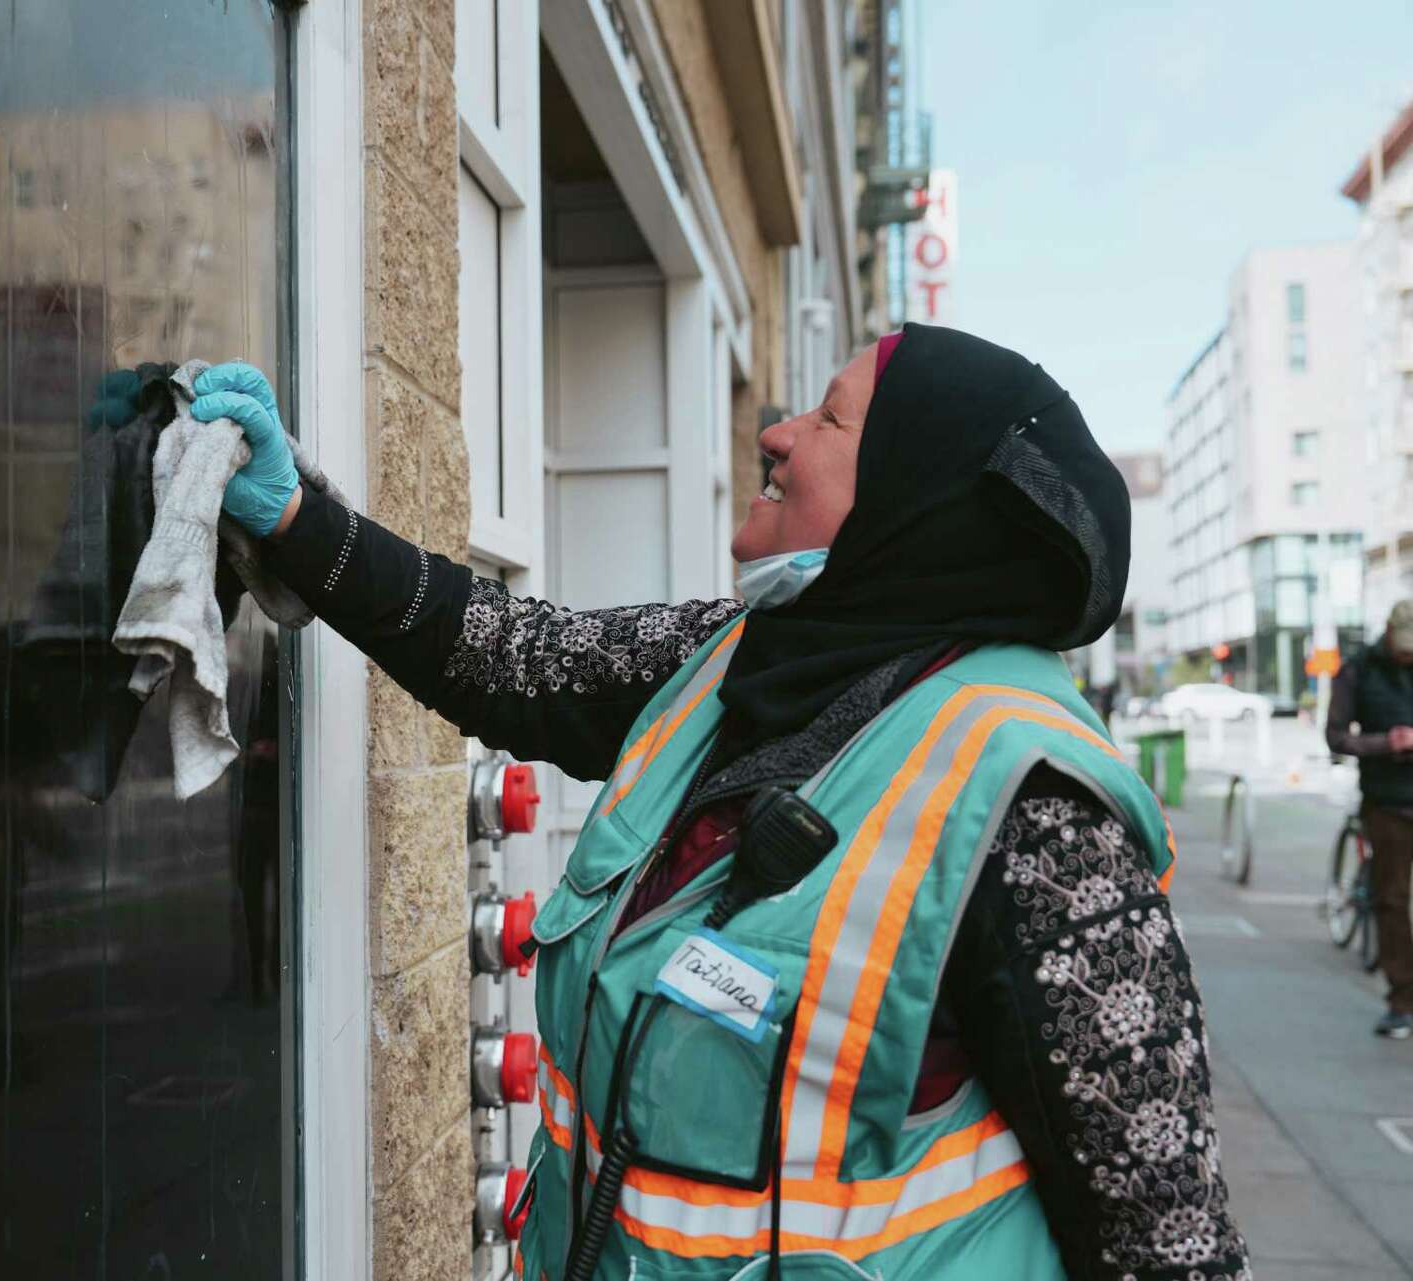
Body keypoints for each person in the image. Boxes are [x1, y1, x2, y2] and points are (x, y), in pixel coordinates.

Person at [148, 325, 1248, 1279]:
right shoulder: (730, 661)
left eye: (832, 419)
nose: (778, 433)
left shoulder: (1035, 817)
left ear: (921, 504)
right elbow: (500, 651)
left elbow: (1172, 1247)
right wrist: (293, 516)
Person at [1326, 598, 1413, 1039]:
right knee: (1393, 900)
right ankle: (1402, 1001)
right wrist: (1387, 743)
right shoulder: (1358, 670)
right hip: (1388, 802)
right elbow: (1336, 736)